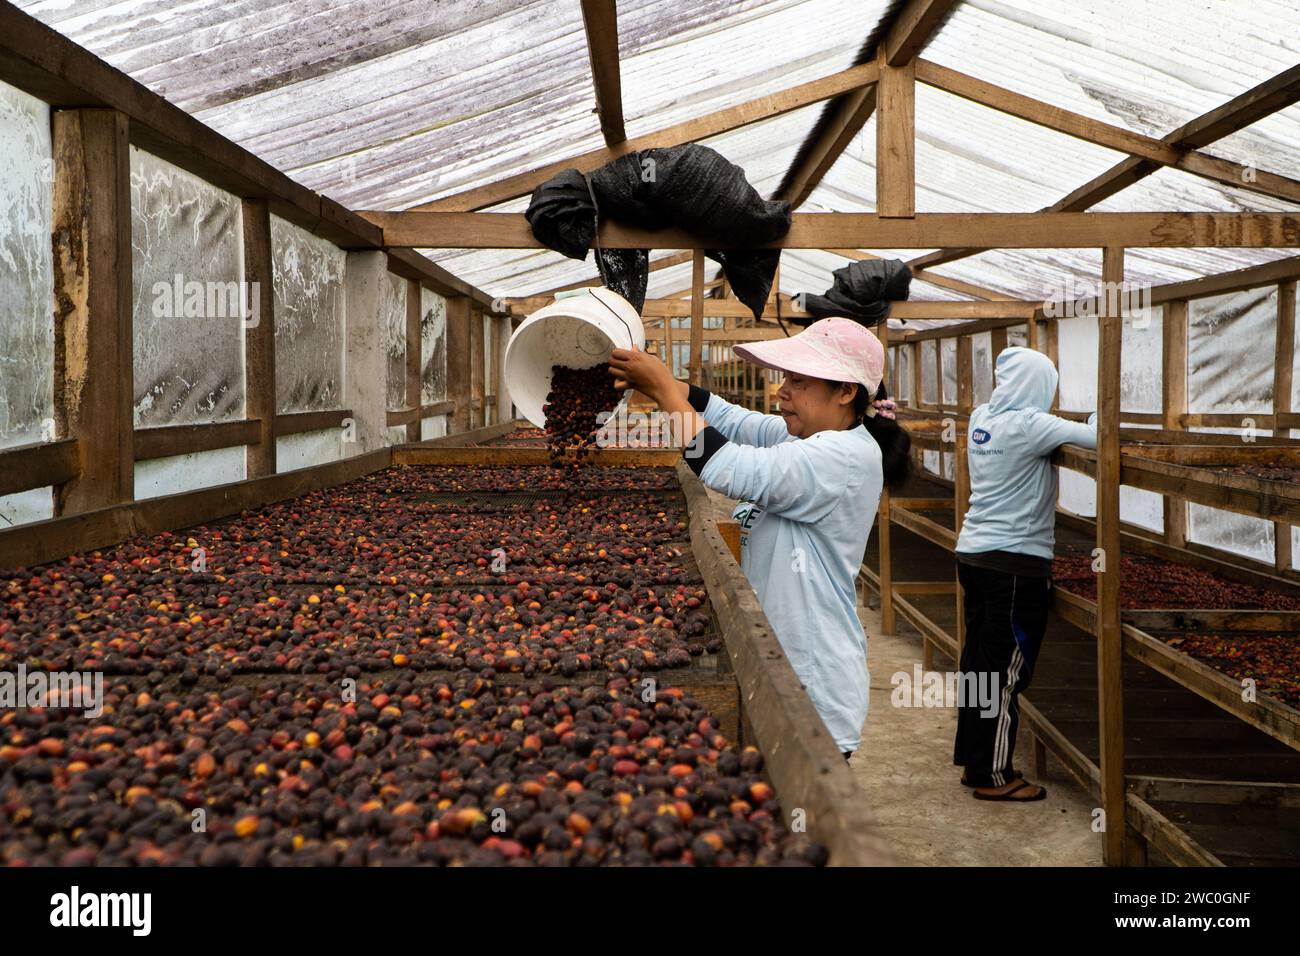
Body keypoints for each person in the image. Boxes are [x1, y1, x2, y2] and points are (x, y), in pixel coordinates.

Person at [608, 317, 911, 761]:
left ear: (846, 392)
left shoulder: (840, 457)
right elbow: (734, 420)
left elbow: (721, 467)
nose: (782, 391)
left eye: (799, 381)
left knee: (804, 813)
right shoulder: (812, 435)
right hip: (781, 665)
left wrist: (666, 394)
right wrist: (666, 383)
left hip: (811, 683)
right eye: (785, 378)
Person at [953, 346, 1097, 801]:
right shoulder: (1033, 425)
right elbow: (1101, 435)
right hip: (1014, 565)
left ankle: (973, 759)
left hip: (973, 555)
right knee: (1004, 673)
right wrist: (1096, 416)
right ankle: (993, 776)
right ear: (1040, 386)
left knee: (979, 664)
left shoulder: (982, 417)